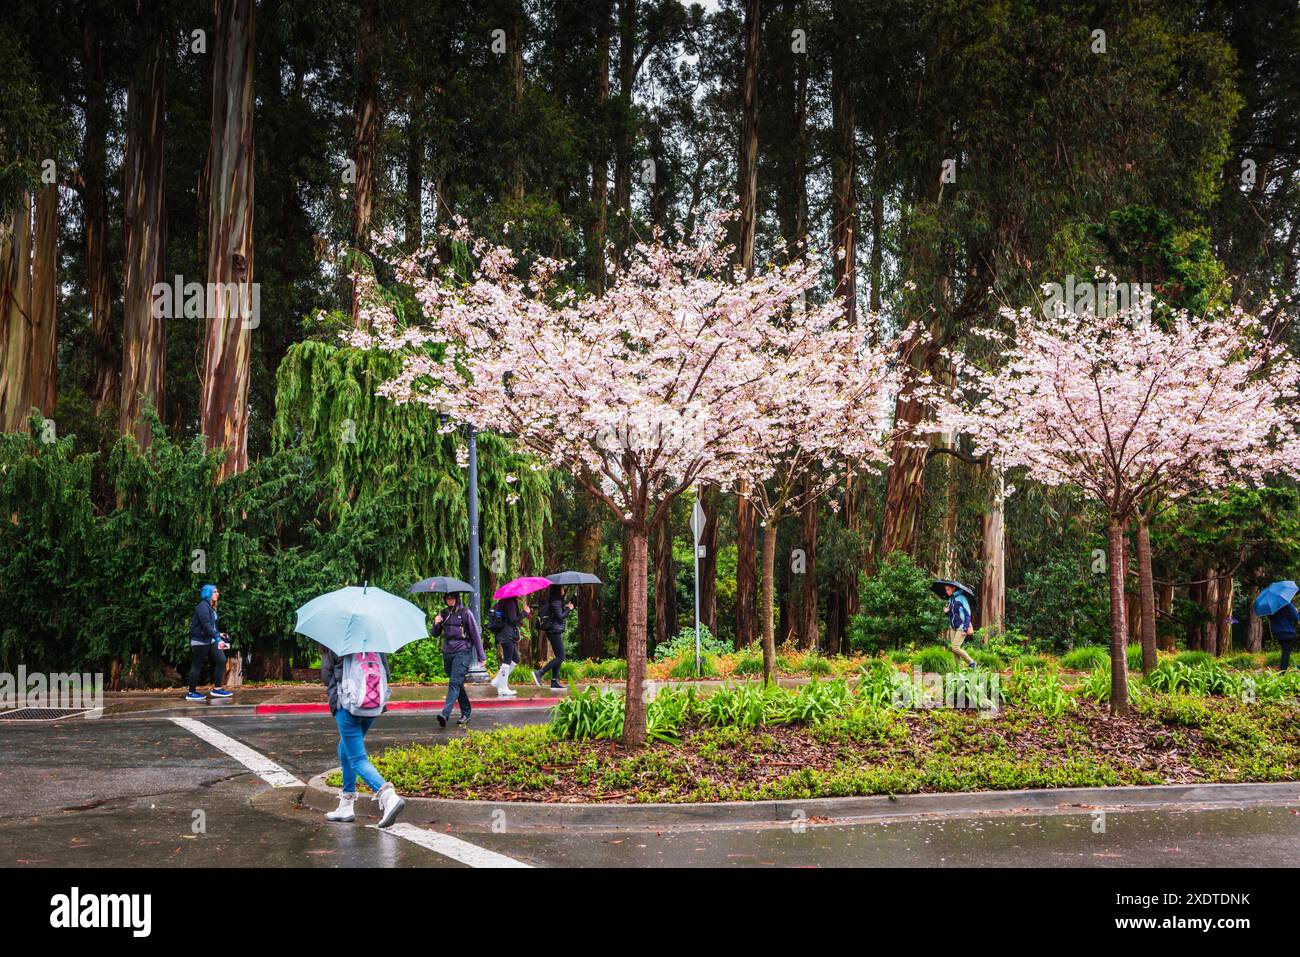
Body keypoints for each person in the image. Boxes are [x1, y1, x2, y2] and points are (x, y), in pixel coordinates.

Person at [320, 646, 405, 828]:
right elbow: (387, 675)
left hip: (348, 707)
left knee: (357, 759)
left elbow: (326, 677)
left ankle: (388, 796)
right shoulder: (374, 643)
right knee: (344, 750)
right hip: (372, 706)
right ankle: (346, 804)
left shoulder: (337, 644)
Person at [431, 592, 485, 728]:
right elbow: (435, 634)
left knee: (454, 683)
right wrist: (436, 623)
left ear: (457, 599)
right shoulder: (443, 613)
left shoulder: (466, 613)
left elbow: (475, 635)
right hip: (448, 652)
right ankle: (466, 712)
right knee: (457, 683)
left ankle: (445, 714)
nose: (450, 601)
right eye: (448, 598)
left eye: (452, 598)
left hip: (463, 651)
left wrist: (481, 656)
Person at [187, 584, 233, 701]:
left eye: (217, 592)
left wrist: (219, 633)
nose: (217, 594)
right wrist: (217, 638)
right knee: (197, 666)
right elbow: (206, 626)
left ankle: (217, 689)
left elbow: (212, 626)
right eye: (214, 592)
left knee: (221, 660)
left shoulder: (210, 607)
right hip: (200, 641)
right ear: (208, 593)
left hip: (210, 639)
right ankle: (191, 693)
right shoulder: (202, 606)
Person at [533, 584, 574, 690]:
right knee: (561, 657)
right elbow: (560, 617)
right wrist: (568, 609)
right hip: (554, 631)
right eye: (562, 588)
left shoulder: (557, 601)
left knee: (558, 657)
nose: (563, 589)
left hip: (554, 630)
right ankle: (539, 673)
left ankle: (554, 681)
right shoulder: (556, 601)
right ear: (557, 590)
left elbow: (558, 614)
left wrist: (568, 605)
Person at [488, 595, 530, 697]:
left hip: (506, 634)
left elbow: (510, 619)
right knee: (507, 661)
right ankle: (502, 688)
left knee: (515, 659)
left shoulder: (507, 601)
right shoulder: (510, 603)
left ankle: (498, 680)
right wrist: (524, 613)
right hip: (506, 635)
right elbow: (513, 620)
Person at [942, 584, 978, 670]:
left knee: (955, 647)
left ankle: (971, 662)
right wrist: (947, 612)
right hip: (952, 627)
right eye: (946, 590)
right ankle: (957, 669)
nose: (947, 592)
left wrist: (965, 628)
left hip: (961, 626)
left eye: (948, 590)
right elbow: (952, 615)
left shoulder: (962, 598)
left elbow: (967, 614)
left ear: (953, 588)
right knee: (954, 650)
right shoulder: (950, 600)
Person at [1270, 599, 1298, 670]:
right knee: (1286, 651)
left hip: (1277, 632)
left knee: (1285, 650)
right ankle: (1283, 671)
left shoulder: (1272, 607)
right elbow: (1295, 617)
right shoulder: (1287, 604)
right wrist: (1295, 610)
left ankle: (1283, 668)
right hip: (1287, 631)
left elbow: (1270, 618)